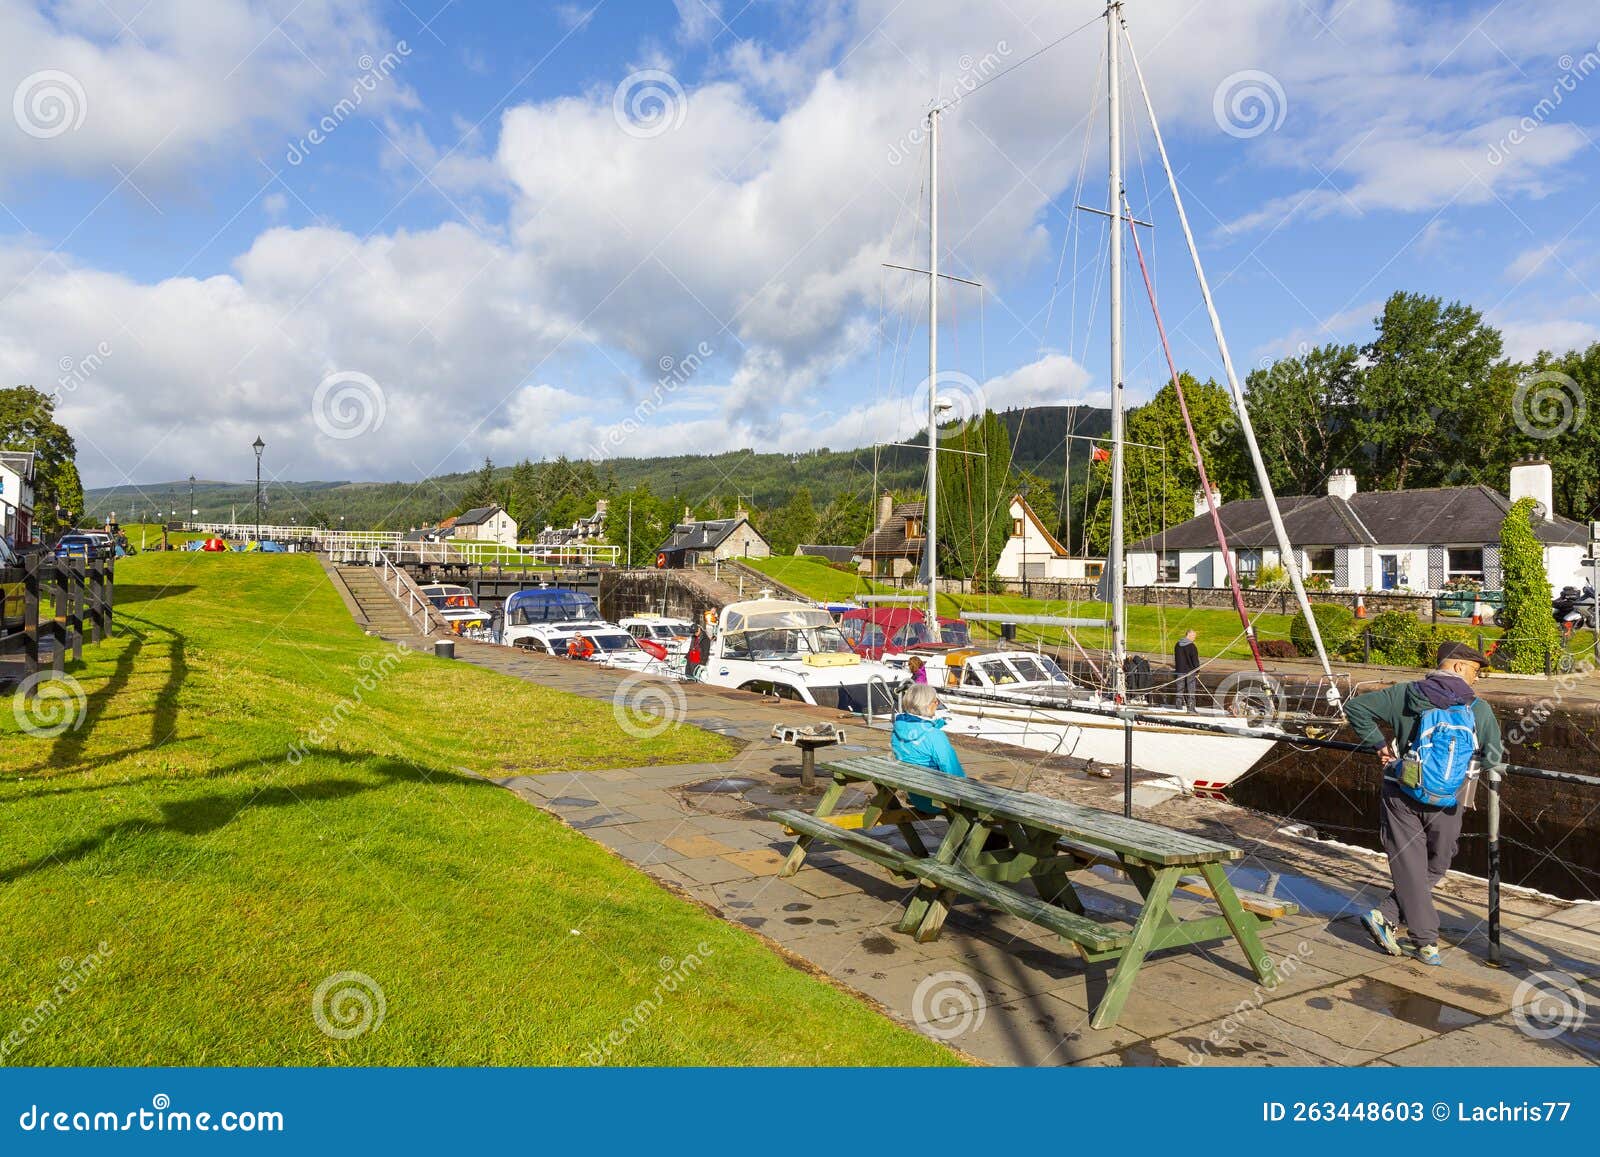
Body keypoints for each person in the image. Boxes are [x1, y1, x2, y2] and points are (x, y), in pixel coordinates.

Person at [1344, 641, 1502, 966]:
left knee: (1409, 865)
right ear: (1457, 667)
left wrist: (1379, 746)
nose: (1476, 680)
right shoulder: (1478, 708)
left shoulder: (1404, 694)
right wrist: (1456, 772)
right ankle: (1426, 941)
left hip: (1401, 786)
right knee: (1438, 862)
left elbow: (1356, 708)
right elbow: (1494, 757)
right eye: (1474, 671)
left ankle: (1386, 915)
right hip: (1447, 797)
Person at [890, 683, 966, 813]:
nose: (937, 704)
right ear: (927, 705)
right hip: (931, 794)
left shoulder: (899, 727)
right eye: (936, 701)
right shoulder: (934, 735)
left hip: (915, 793)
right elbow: (952, 769)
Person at [1173, 628, 1200, 710]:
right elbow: (1195, 661)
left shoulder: (1177, 644)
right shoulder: (1192, 646)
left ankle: (1178, 707)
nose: (1194, 638)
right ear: (1189, 635)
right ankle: (1191, 708)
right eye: (1194, 636)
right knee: (1191, 690)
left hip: (1179, 670)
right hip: (1190, 672)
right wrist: (1198, 671)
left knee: (1179, 690)